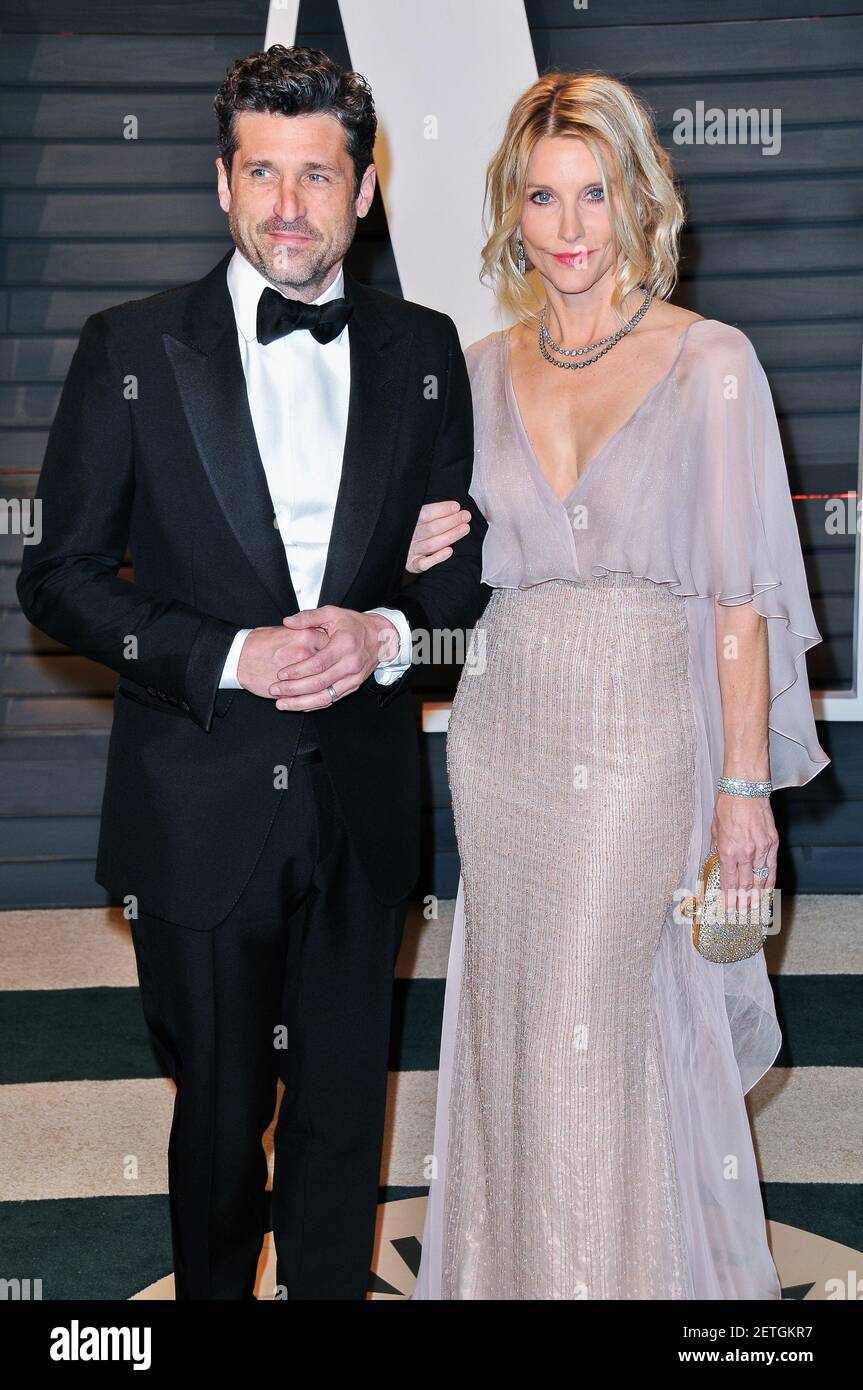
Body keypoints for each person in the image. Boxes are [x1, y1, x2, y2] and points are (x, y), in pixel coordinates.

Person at [16, 44, 486, 1301]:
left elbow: (455, 569)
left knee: (342, 1121)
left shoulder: (427, 349)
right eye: (263, 174)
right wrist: (229, 650)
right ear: (222, 184)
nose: (290, 205)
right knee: (218, 1126)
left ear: (365, 190)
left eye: (319, 176)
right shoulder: (127, 345)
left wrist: (385, 631)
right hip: (196, 800)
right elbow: (57, 576)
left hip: (361, 801)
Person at [414, 70, 829, 1300]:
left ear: (636, 199)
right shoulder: (477, 368)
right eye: (542, 196)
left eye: (593, 192)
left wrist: (742, 785)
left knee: (591, 1031)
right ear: (513, 209)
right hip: (501, 736)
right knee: (515, 1028)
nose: (569, 225)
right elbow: (442, 556)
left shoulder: (710, 363)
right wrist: (417, 544)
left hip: (642, 736)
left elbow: (742, 594)